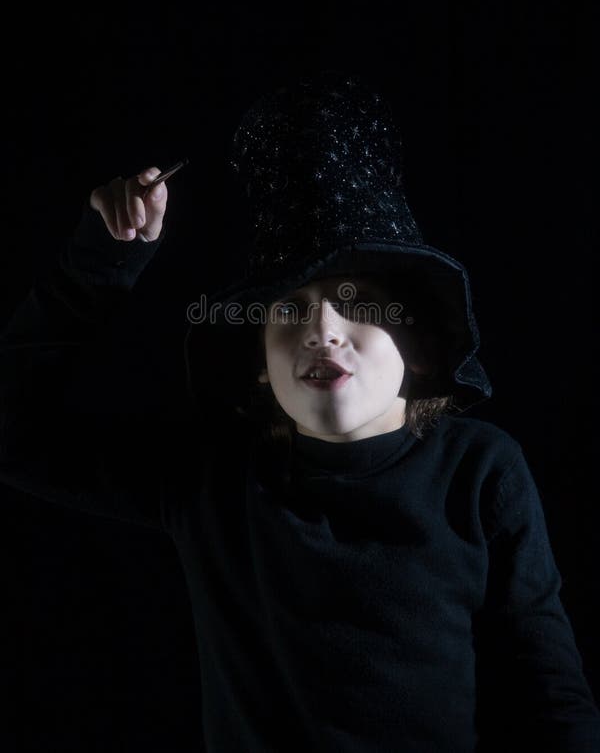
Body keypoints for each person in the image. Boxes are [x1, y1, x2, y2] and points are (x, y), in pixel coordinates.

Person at [2, 70, 599, 752]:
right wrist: (99, 264)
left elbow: (549, 694)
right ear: (261, 365)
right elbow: (14, 435)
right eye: (290, 310)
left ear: (421, 348)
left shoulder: (481, 471)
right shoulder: (211, 478)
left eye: (359, 305)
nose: (323, 328)